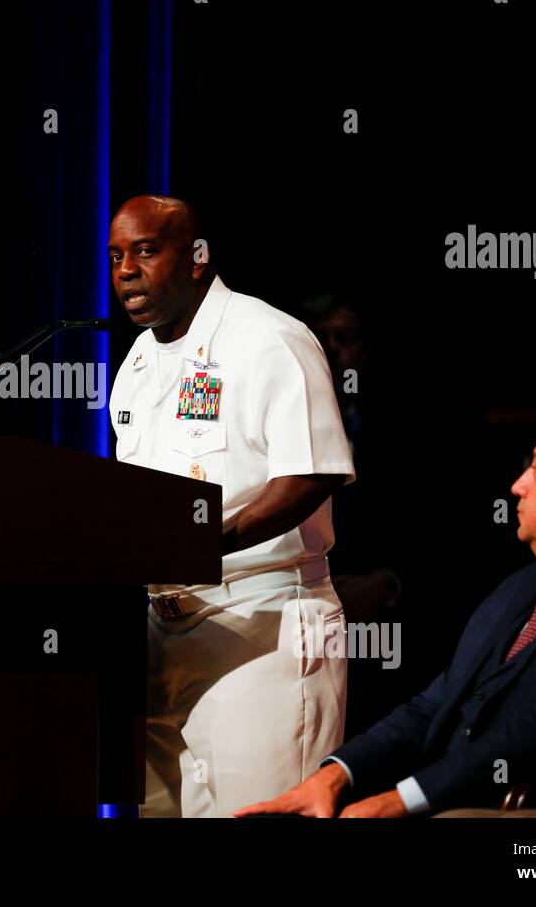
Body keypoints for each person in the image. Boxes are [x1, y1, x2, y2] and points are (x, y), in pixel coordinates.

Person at [235, 408, 536, 817]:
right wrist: (334, 777)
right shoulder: (524, 585)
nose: (517, 485)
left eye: (534, 468)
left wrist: (399, 801)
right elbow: (433, 704)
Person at [107, 195, 355, 817]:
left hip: (260, 622)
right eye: (115, 257)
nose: (126, 272)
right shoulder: (137, 362)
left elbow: (310, 474)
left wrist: (199, 543)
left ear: (196, 258)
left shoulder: (267, 337)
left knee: (255, 816)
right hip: (154, 633)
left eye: (145, 251)